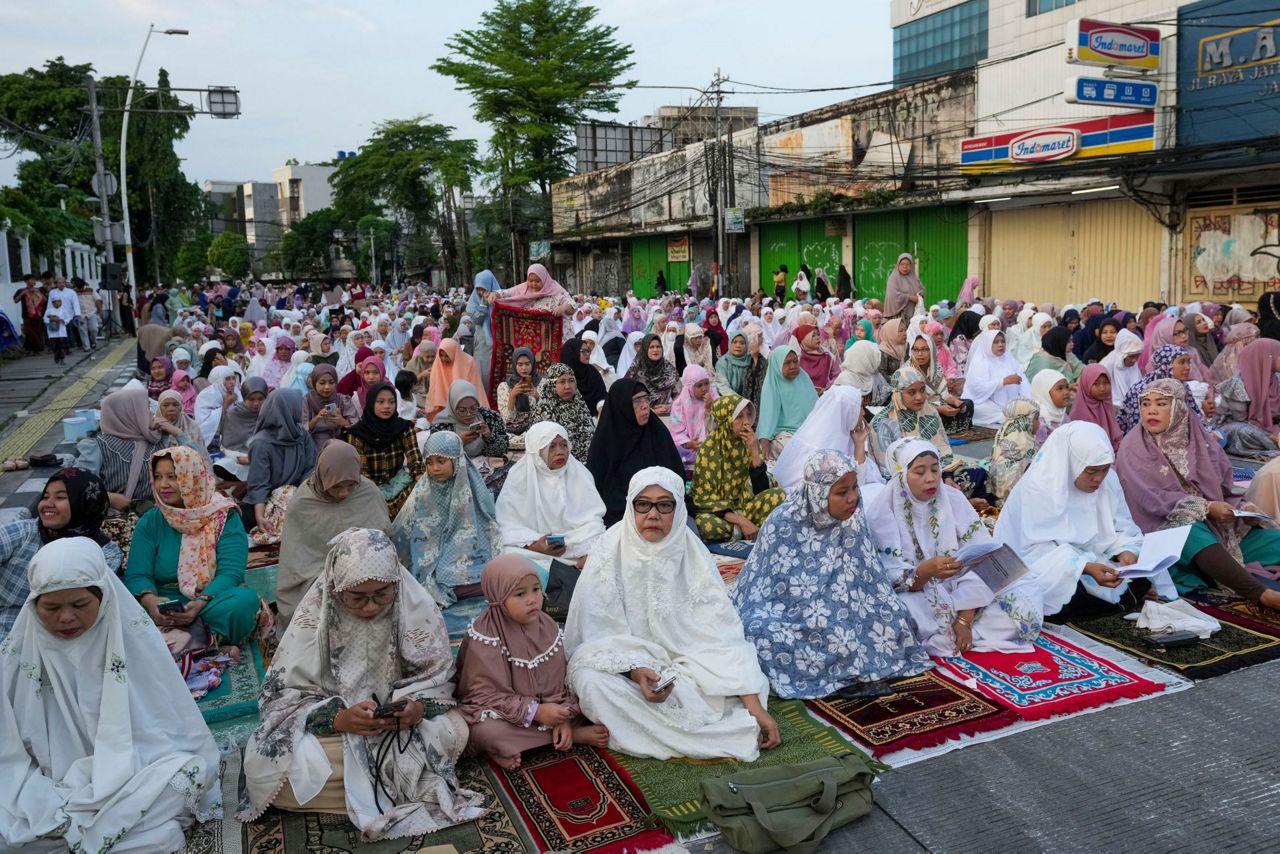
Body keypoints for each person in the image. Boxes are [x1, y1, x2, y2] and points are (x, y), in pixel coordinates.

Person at [240, 528, 484, 839]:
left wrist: (417, 709)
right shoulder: (314, 619)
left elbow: (438, 677)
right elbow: (282, 695)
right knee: (268, 761)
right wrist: (339, 718)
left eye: (381, 594)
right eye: (357, 597)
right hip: (335, 735)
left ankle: (364, 788)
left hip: (401, 729)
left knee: (456, 728)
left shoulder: (413, 606)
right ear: (335, 587)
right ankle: (389, 786)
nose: (370, 607)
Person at [0, 537, 221, 853]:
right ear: (34, 605)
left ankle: (78, 837)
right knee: (11, 817)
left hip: (135, 775)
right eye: (51, 607)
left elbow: (172, 733)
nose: (65, 618)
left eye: (79, 605)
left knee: (191, 774)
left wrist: (108, 777)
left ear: (104, 598)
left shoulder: (135, 641)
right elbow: (10, 754)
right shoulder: (17, 656)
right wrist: (57, 792)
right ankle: (111, 836)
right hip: (52, 788)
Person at [565, 467, 780, 760]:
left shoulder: (691, 553)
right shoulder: (609, 548)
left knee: (705, 696)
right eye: (643, 504)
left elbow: (722, 638)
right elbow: (595, 635)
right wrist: (637, 671)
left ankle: (659, 727)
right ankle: (682, 730)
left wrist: (755, 710)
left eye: (665, 505)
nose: (652, 515)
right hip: (628, 670)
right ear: (631, 506)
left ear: (678, 510)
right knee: (590, 680)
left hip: (686, 673)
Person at [733, 445, 930, 696]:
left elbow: (868, 574)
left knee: (893, 615)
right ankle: (841, 669)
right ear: (818, 493)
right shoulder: (782, 523)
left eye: (854, 488)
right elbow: (769, 590)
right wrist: (820, 614)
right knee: (760, 632)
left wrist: (851, 607)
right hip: (792, 613)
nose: (852, 498)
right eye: (841, 492)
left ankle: (849, 665)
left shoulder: (853, 518)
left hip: (848, 602)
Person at [869, 439, 1043, 656]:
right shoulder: (882, 511)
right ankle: (961, 635)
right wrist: (925, 572)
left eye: (935, 469)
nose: (931, 478)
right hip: (919, 595)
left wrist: (964, 618)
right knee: (896, 613)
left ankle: (959, 633)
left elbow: (984, 557)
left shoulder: (953, 499)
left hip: (965, 592)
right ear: (901, 475)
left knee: (1027, 594)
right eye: (919, 472)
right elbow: (887, 577)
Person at [1117, 380, 1280, 608]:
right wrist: (1206, 507)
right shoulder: (1133, 448)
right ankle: (1261, 594)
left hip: (1216, 532)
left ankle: (1219, 570)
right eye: (1145, 404)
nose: (1151, 410)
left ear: (1179, 408)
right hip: (1164, 534)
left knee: (1273, 540)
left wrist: (1241, 509)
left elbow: (1223, 491)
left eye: (1161, 403)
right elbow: (1151, 501)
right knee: (1187, 531)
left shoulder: (1203, 443)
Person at [995, 422, 1175, 621]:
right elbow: (1033, 551)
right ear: (1071, 463)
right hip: (1044, 564)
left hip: (1095, 559)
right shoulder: (1038, 489)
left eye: (1104, 469)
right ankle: (1121, 599)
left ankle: (1120, 597)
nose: (1098, 478)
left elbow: (1121, 526)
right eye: (1091, 471)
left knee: (1144, 571)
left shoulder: (1108, 481)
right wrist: (1084, 566)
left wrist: (1127, 551)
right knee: (1056, 594)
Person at [457, 555, 609, 770]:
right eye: (520, 594)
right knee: (485, 731)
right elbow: (483, 696)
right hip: (507, 714)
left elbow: (559, 680)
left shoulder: (546, 626)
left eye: (536, 589)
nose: (532, 599)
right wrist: (535, 711)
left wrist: (561, 715)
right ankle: (570, 736)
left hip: (549, 709)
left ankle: (553, 732)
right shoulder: (485, 636)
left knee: (592, 692)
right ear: (498, 597)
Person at [126, 447, 262, 642]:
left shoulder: (224, 516)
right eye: (157, 477)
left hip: (209, 601)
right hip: (163, 602)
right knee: (120, 609)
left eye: (172, 477)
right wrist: (151, 602)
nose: (163, 485)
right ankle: (204, 641)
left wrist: (199, 603)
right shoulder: (151, 521)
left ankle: (186, 641)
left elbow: (230, 573)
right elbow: (138, 574)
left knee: (244, 603)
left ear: (192, 477)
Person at [275, 442, 391, 630]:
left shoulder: (368, 492)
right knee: (315, 611)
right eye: (337, 487)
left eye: (350, 485)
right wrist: (337, 576)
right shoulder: (303, 503)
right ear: (323, 478)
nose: (344, 493)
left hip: (367, 568)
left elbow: (382, 541)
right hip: (319, 573)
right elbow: (297, 561)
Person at [0, 469, 122, 640]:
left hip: (64, 638)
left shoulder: (104, 553)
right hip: (7, 630)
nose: (47, 504)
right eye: (45, 497)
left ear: (84, 502)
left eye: (60, 497)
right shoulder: (24, 532)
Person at [392, 431, 500, 606]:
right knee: (435, 576)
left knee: (484, 573)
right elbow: (410, 528)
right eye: (429, 462)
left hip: (465, 547)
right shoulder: (423, 490)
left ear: (456, 460)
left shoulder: (470, 486)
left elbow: (482, 524)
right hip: (429, 548)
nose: (435, 468)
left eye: (441, 461)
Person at [494, 421, 606, 571]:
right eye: (551, 446)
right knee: (507, 554)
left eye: (564, 445)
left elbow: (593, 520)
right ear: (537, 451)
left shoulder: (579, 472)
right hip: (537, 549)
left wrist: (589, 549)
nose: (560, 452)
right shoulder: (519, 477)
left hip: (576, 543)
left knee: (605, 544)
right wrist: (535, 547)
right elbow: (508, 525)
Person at [585, 379, 685, 527]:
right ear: (621, 405)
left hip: (664, 510)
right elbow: (600, 492)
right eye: (637, 401)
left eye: (646, 399)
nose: (645, 406)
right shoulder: (606, 442)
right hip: (622, 516)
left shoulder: (656, 432)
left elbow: (676, 477)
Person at [688, 394, 785, 542]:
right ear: (726, 420)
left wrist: (754, 452)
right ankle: (751, 529)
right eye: (739, 417)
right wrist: (742, 521)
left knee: (779, 496)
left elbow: (762, 490)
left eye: (748, 416)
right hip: (719, 514)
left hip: (746, 506)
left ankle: (743, 531)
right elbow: (703, 501)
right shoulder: (709, 448)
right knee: (706, 525)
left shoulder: (750, 442)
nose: (746, 422)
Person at [774, 385, 881, 494]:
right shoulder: (820, 448)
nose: (863, 413)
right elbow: (856, 486)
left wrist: (859, 444)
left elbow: (860, 482)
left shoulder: (846, 437)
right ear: (847, 411)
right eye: (860, 408)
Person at [344, 382, 425, 518]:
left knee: (422, 489)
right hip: (369, 489)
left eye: (392, 402)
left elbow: (414, 459)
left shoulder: (404, 428)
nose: (387, 406)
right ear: (370, 403)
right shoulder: (357, 433)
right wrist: (376, 497)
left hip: (399, 484)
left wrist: (421, 480)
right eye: (380, 402)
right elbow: (361, 472)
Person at [246, 388, 318, 537]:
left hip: (299, 494)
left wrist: (300, 495)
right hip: (267, 500)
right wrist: (260, 517)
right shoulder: (261, 443)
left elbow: (311, 469)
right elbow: (259, 483)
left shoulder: (301, 436)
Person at [429, 379, 510, 494]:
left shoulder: (489, 417)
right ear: (452, 406)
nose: (468, 414)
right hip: (457, 471)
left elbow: (503, 449)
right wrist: (458, 441)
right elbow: (436, 458)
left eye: (473, 408)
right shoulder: (441, 425)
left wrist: (489, 436)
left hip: (488, 466)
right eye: (462, 410)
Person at [96, 386, 164, 507]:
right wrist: (109, 498)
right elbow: (80, 487)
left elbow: (196, 469)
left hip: (153, 517)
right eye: (146, 407)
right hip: (113, 519)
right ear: (129, 413)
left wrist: (177, 433)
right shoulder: (99, 446)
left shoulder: (159, 440)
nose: (152, 413)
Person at [1212, 338, 1280, 459]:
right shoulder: (1238, 384)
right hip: (1237, 429)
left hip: (1270, 428)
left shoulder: (1276, 380)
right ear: (1266, 358)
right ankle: (1273, 445)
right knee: (1244, 432)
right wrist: (1272, 436)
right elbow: (1240, 420)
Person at [1117, 345, 1201, 434]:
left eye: (1188, 362)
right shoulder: (1142, 389)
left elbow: (1195, 416)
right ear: (1166, 365)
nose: (1187, 367)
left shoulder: (1182, 387)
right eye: (1182, 362)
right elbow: (1139, 429)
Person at [756, 343, 818, 460]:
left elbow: (816, 408)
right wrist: (764, 439)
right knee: (797, 452)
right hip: (785, 433)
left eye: (795, 361)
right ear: (777, 365)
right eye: (787, 363)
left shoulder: (804, 379)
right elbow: (767, 416)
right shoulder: (772, 384)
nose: (793, 366)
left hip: (810, 429)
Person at [907, 330, 973, 431]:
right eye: (916, 350)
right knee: (931, 415)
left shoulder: (935, 368)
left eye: (925, 349)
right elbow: (909, 403)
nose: (919, 354)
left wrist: (955, 402)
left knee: (968, 404)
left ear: (932, 350)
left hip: (937, 402)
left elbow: (943, 393)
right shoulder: (907, 371)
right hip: (918, 407)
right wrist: (939, 409)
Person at [964, 329, 1030, 428]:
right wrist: (1002, 382)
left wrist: (1028, 398)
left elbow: (1022, 379)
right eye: (996, 342)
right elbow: (977, 388)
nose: (1000, 345)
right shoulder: (980, 362)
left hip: (1010, 399)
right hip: (983, 401)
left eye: (1003, 341)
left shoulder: (1008, 357)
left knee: (1030, 404)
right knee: (980, 409)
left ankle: (1013, 413)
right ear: (987, 344)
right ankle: (1009, 416)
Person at [425, 338, 488, 421]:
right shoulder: (438, 363)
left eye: (446, 356)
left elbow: (475, 386)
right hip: (442, 407)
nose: (443, 359)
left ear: (453, 353)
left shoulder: (468, 362)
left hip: (465, 405)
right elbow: (434, 390)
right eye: (441, 355)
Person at [303, 363, 360, 453]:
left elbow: (356, 425)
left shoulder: (342, 400)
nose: (327, 387)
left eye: (331, 382)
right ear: (314, 383)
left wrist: (343, 422)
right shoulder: (307, 400)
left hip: (340, 445)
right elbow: (302, 428)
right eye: (322, 383)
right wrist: (316, 419)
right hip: (313, 447)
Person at [990, 398, 1039, 501]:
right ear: (1027, 421)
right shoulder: (1022, 441)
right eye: (1036, 419)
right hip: (1012, 492)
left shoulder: (1006, 432)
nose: (1039, 423)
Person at [668, 365, 715, 471]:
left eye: (707, 383)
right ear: (690, 387)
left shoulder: (715, 398)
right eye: (699, 385)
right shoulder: (680, 404)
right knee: (672, 451)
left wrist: (710, 408)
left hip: (712, 445)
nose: (704, 389)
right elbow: (676, 432)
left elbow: (722, 424)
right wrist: (688, 444)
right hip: (690, 448)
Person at [1069, 363, 1122, 450]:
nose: (1102, 388)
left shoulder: (1108, 407)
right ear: (1086, 385)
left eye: (1106, 383)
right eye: (1096, 384)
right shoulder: (1078, 415)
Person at [625, 333, 679, 413]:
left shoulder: (669, 369)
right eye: (651, 347)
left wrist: (669, 407)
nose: (655, 350)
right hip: (641, 418)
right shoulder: (635, 370)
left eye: (658, 347)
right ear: (645, 349)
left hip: (665, 417)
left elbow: (680, 396)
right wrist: (651, 411)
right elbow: (626, 398)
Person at [495, 346, 541, 437]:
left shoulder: (542, 383)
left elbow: (548, 415)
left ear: (533, 364)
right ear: (514, 365)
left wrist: (537, 397)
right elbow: (506, 419)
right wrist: (512, 396)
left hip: (537, 430)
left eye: (527, 364)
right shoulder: (504, 387)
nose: (524, 368)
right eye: (520, 365)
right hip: (512, 434)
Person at [1100, 328, 1144, 407]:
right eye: (1131, 356)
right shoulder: (1106, 366)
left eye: (1137, 356)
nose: (1134, 360)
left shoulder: (1133, 365)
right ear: (1122, 354)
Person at [1030, 369, 1071, 443]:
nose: (1066, 392)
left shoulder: (1062, 415)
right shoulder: (1039, 422)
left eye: (1067, 387)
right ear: (1045, 392)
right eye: (1060, 388)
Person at [883, 253, 924, 322]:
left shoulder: (914, 278)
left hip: (913, 313)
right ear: (898, 265)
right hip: (898, 316)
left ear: (911, 266)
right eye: (902, 264)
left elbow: (921, 290)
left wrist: (920, 295)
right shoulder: (894, 278)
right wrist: (909, 297)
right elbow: (893, 296)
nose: (905, 267)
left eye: (907, 264)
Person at [876, 318, 908, 382]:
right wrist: (899, 381)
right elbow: (882, 374)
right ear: (891, 333)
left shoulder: (906, 345)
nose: (905, 333)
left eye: (905, 330)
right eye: (901, 331)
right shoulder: (883, 351)